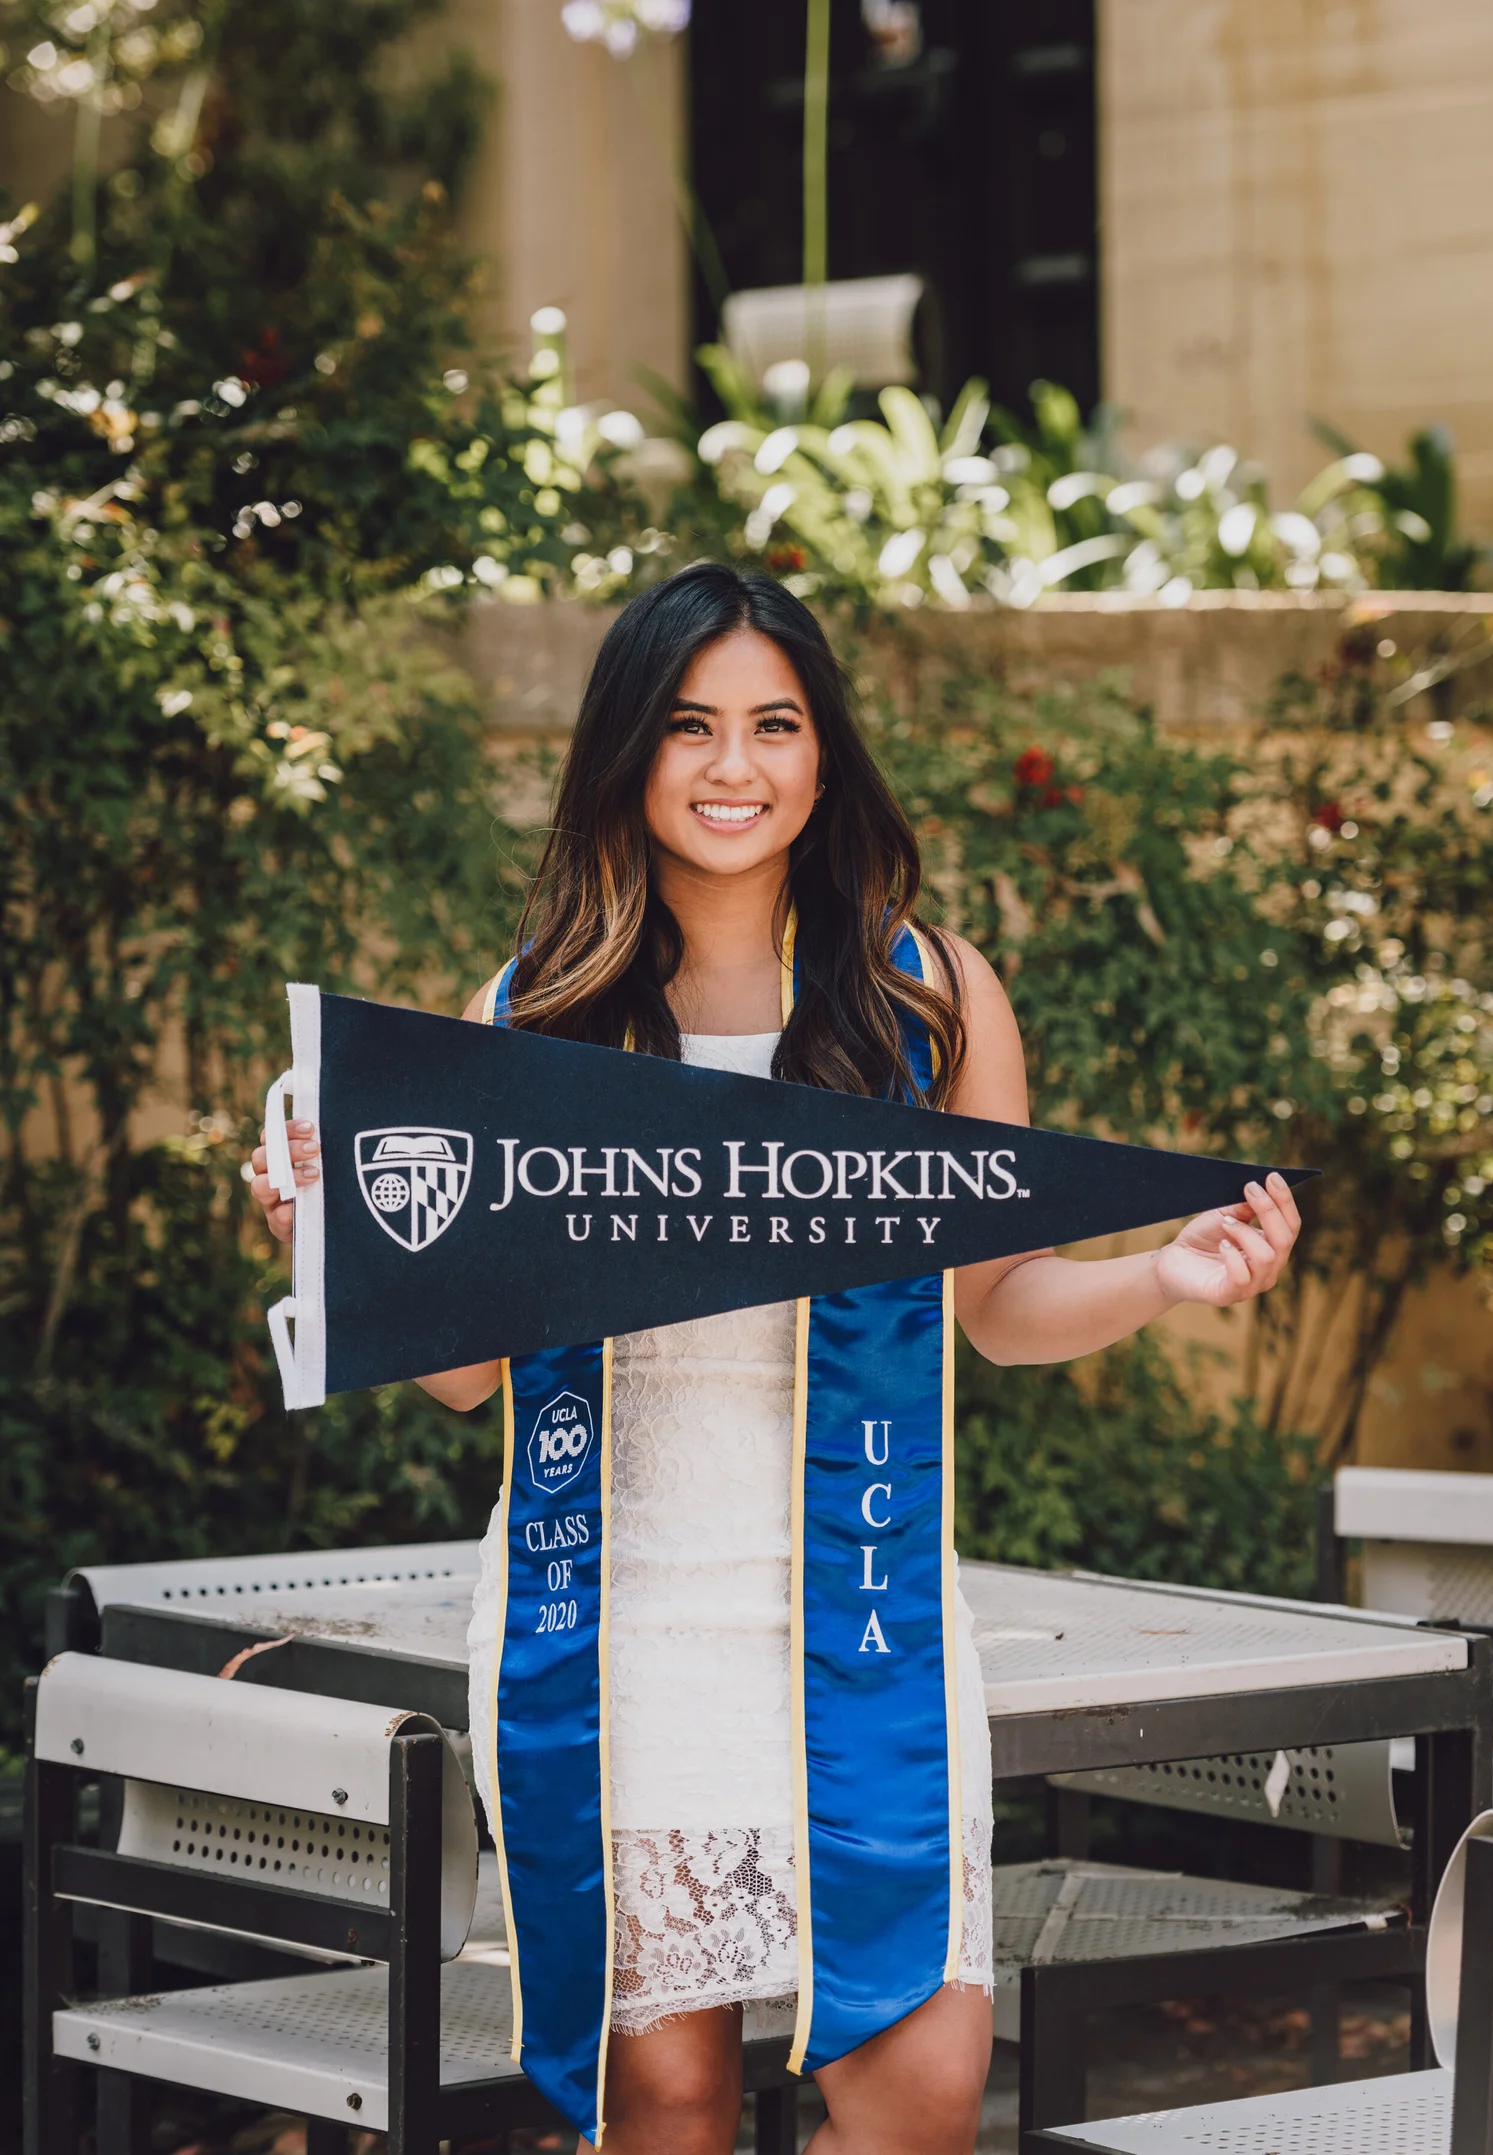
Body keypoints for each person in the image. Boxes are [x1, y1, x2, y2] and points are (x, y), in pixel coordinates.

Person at [248, 563, 1300, 2155]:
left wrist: (1165, 1270)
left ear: (824, 753)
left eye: (774, 724)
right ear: (628, 751)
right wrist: (336, 1245)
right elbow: (470, 1376)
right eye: (689, 726)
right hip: (616, 1623)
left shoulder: (925, 999)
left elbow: (996, 1303)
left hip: (864, 1603)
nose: (732, 765)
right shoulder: (534, 1019)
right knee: (662, 2101)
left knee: (919, 2084)